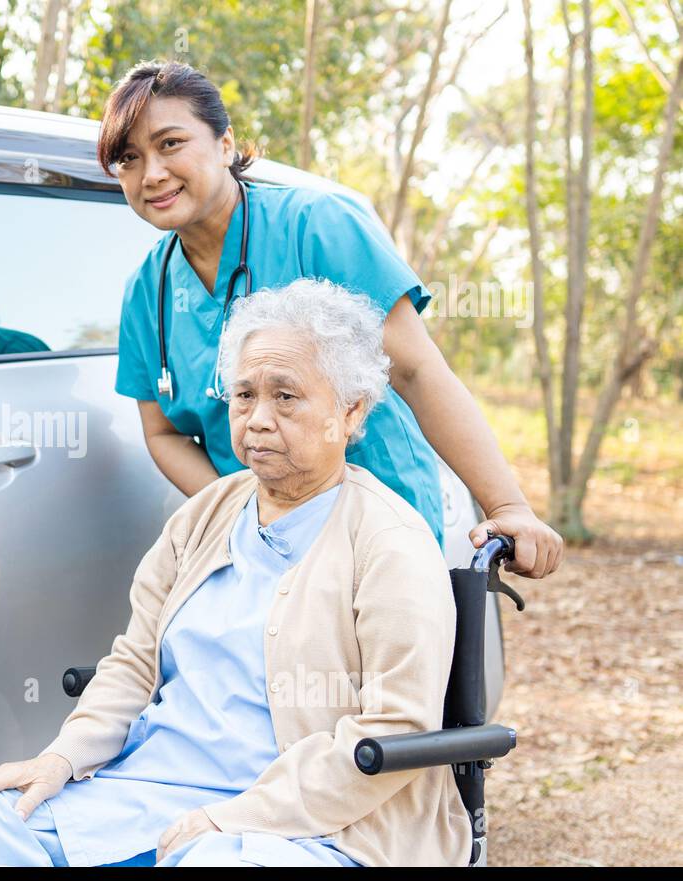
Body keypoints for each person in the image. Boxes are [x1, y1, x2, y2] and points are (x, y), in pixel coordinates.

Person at [0, 278, 473, 867]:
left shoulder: (388, 542)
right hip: (153, 791)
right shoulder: (205, 515)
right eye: (245, 395)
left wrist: (231, 820)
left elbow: (396, 727)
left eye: (286, 397)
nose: (256, 419)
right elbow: (134, 661)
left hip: (316, 824)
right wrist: (62, 757)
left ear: (351, 409)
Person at [104, 59, 562, 578]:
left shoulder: (318, 227)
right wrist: (241, 512)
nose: (152, 174)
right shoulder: (147, 289)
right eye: (128, 158)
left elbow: (417, 371)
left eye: (170, 143)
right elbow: (162, 432)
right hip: (262, 546)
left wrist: (507, 507)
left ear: (225, 144)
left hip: (377, 531)